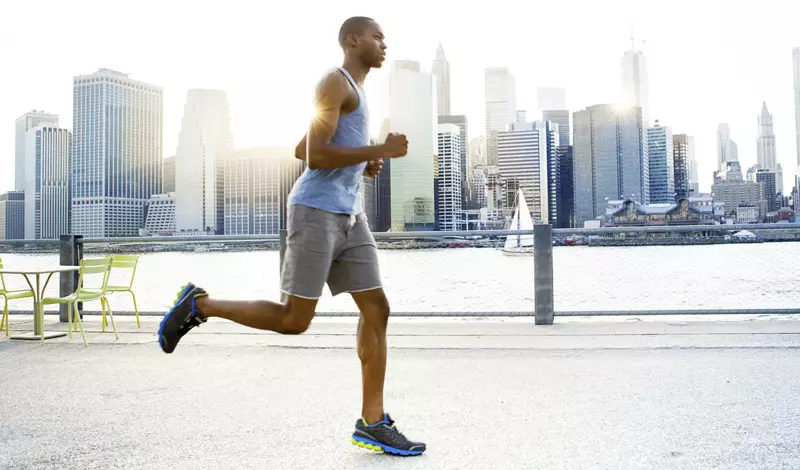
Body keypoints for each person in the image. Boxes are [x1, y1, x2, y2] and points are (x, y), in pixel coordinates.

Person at [157, 16, 426, 457]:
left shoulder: (357, 94)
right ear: (353, 41)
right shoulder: (334, 83)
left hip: (350, 216)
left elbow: (304, 147)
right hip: (315, 212)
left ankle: (373, 422)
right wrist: (380, 150)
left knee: (376, 309)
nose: (384, 44)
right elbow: (315, 157)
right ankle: (198, 304)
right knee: (293, 320)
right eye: (377, 37)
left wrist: (365, 164)